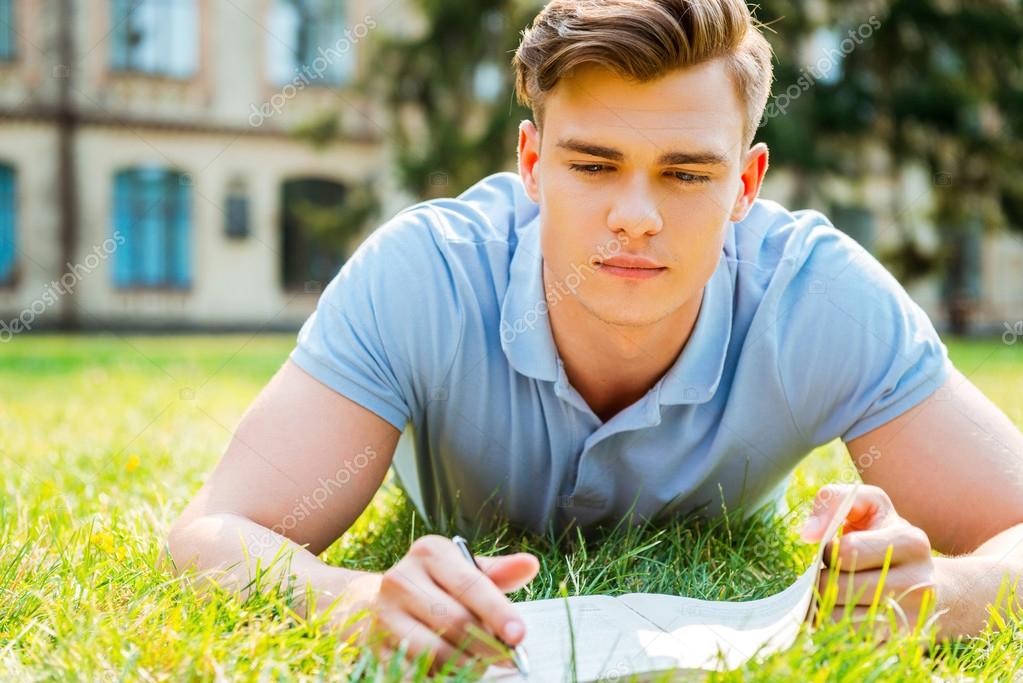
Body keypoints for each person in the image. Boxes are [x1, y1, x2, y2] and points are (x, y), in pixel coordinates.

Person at [162, 0, 1023, 674]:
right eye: (593, 164)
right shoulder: (421, 275)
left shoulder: (820, 297)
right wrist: (355, 600)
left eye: (686, 173)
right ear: (532, 164)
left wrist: (942, 591)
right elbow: (212, 531)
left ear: (745, 183)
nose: (636, 217)